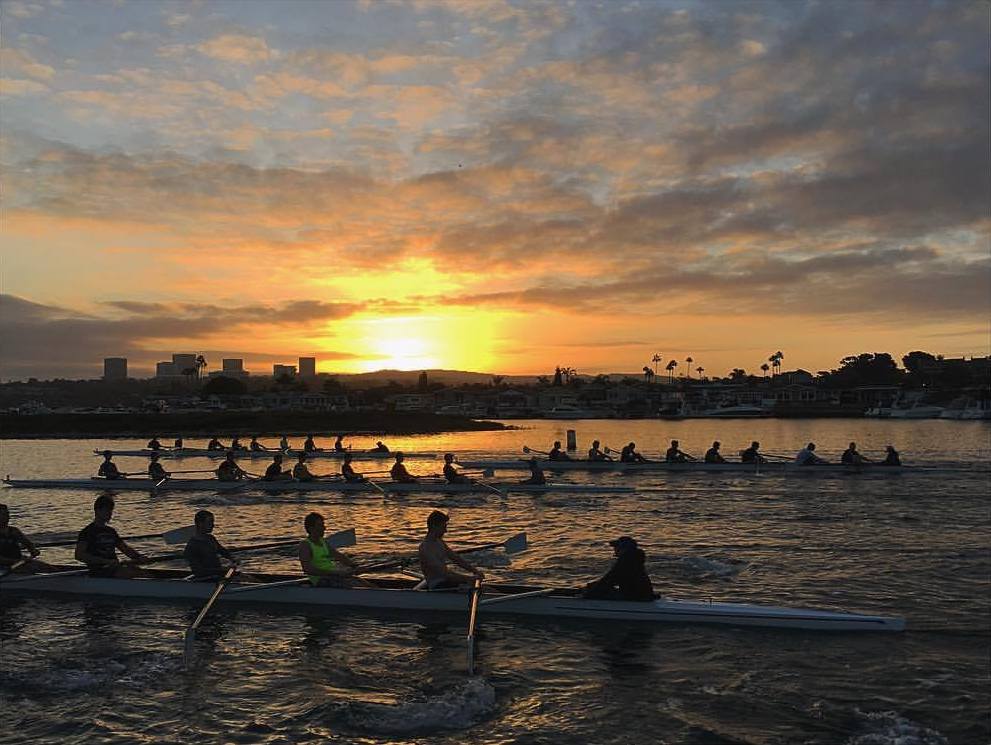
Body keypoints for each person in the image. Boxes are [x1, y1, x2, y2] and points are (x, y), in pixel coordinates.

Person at [75, 495, 149, 577]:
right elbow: (79, 555)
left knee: (141, 571)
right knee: (135, 573)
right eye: (106, 510)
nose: (109, 513)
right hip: (100, 571)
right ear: (97, 510)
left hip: (113, 568)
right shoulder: (87, 532)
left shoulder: (111, 531)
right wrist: (106, 561)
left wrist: (139, 557)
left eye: (111, 510)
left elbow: (125, 549)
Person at [417, 510, 484, 589]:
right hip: (438, 587)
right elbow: (445, 574)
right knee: (482, 589)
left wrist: (475, 571)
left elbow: (456, 559)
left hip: (448, 582)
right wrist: (470, 578)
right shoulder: (425, 548)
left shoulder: (439, 541)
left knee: (488, 589)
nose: (445, 531)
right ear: (434, 526)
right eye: (443, 527)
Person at [582, 536, 655, 601]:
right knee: (593, 587)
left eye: (616, 547)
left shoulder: (626, 562)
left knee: (595, 591)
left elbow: (609, 580)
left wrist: (589, 594)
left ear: (623, 549)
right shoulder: (634, 559)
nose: (614, 549)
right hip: (642, 594)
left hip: (635, 597)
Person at [298, 512, 360, 586]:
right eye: (320, 525)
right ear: (311, 528)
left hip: (332, 575)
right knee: (354, 585)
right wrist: (335, 573)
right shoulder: (305, 545)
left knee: (361, 582)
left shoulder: (323, 542)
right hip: (321, 579)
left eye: (323, 525)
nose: (324, 528)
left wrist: (354, 565)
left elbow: (338, 556)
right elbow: (307, 569)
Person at [183, 510, 237, 581]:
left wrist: (232, 558)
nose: (213, 525)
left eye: (213, 522)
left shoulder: (211, 538)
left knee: (245, 577)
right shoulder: (192, 546)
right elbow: (199, 572)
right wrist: (223, 570)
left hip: (217, 575)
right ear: (200, 524)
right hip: (206, 579)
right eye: (210, 522)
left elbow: (222, 551)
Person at [0, 503, 54, 573]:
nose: (7, 517)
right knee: (35, 569)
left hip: (18, 563)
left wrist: (33, 550)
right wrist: (16, 561)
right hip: (4, 567)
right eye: (3, 515)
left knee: (48, 567)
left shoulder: (14, 531)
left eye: (7, 514)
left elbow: (28, 544)